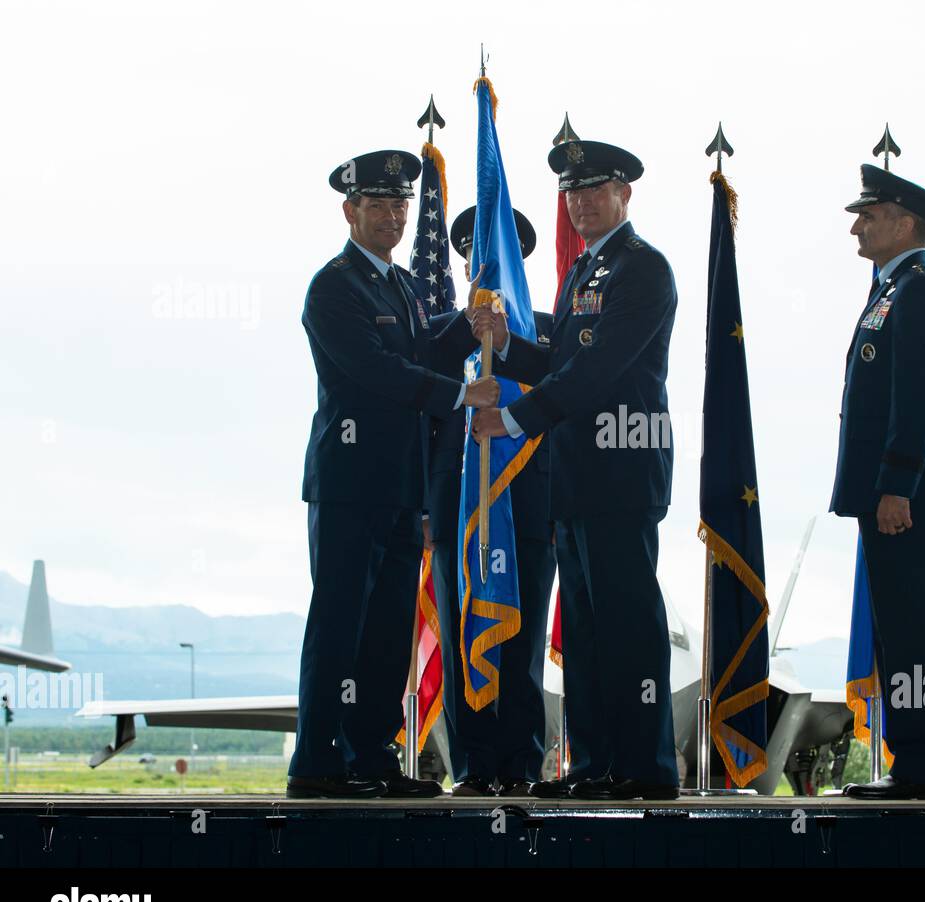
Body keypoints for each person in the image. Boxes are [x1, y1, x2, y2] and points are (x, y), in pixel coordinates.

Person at [471, 139, 679, 800]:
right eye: (573, 193)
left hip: (622, 470)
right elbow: (562, 357)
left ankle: (644, 768)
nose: (582, 203)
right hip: (578, 477)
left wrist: (514, 418)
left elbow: (598, 369)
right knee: (586, 631)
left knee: (627, 623)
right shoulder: (582, 272)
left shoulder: (643, 270)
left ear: (625, 193)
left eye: (595, 190)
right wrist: (508, 345)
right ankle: (594, 765)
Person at [289, 150, 499, 799]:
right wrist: (461, 395)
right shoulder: (333, 287)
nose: (392, 215)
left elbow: (423, 350)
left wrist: (470, 327)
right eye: (377, 204)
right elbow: (375, 370)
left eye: (400, 204)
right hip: (349, 486)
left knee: (385, 633)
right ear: (349, 211)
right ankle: (318, 762)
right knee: (340, 624)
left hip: (403, 488)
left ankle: (371, 757)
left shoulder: (402, 286)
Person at [830, 163, 925, 800]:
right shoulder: (891, 290)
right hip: (890, 494)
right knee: (897, 628)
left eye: (871, 215)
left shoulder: (920, 293)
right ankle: (912, 758)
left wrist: (896, 486)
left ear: (907, 223)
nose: (858, 225)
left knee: (913, 629)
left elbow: (919, 400)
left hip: (904, 498)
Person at [426, 206, 557, 798]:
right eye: (477, 262)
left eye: (499, 263)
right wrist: (429, 509)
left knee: (523, 642)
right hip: (458, 511)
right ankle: (475, 765)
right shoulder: (443, 339)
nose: (488, 278)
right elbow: (427, 429)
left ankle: (521, 766)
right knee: (463, 638)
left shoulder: (545, 335)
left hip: (530, 511)